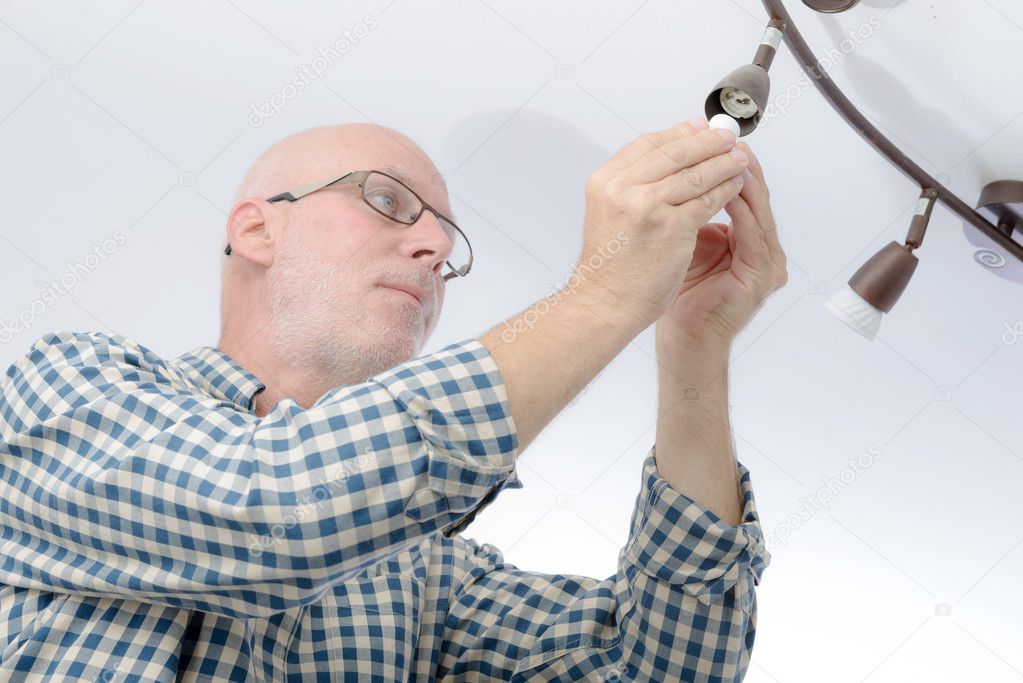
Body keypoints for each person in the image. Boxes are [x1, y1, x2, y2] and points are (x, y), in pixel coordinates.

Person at [0, 118, 786, 681]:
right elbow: (272, 508)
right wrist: (602, 295)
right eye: (385, 200)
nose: (435, 247)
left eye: (446, 237)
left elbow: (667, 665)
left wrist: (693, 348)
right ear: (256, 229)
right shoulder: (63, 388)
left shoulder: (429, 579)